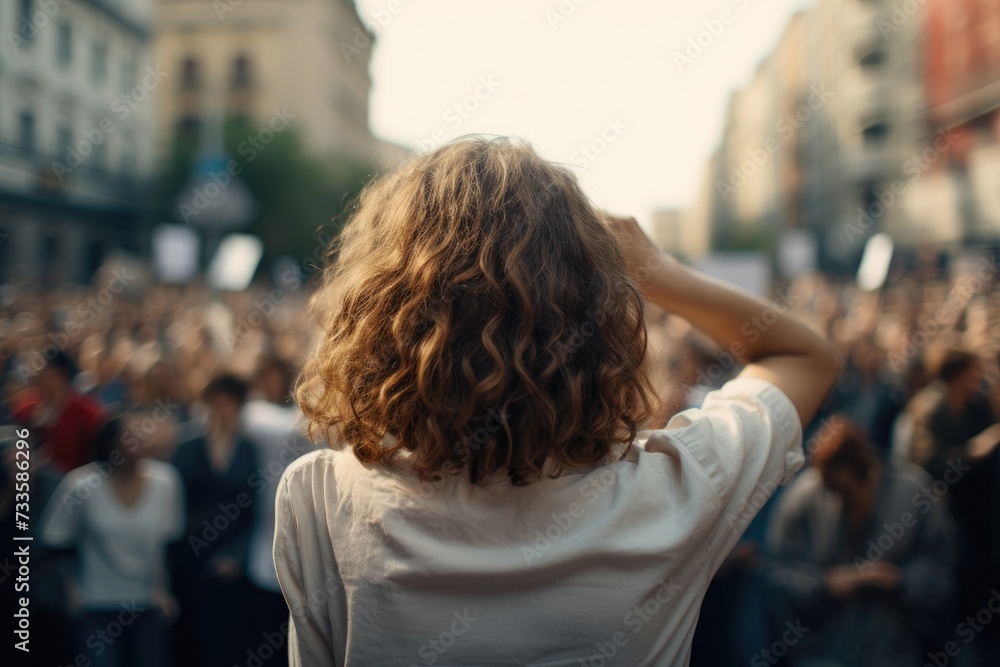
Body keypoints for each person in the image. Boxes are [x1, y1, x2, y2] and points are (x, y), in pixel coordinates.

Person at [273, 137, 842, 666]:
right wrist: (658, 272)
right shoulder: (677, 490)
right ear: (598, 325)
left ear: (382, 310)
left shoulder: (321, 499)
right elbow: (803, 357)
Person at [764, 416, 954, 667]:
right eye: (833, 492)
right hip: (822, 651)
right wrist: (825, 584)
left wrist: (900, 580)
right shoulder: (805, 497)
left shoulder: (915, 493)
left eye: (846, 491)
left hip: (894, 650)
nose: (840, 501)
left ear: (866, 471)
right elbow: (775, 570)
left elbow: (943, 566)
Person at [39, 412, 185, 667]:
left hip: (147, 603)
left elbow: (169, 543)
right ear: (111, 442)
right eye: (133, 435)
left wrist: (163, 589)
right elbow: (55, 542)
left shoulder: (166, 480)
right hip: (94, 603)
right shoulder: (81, 484)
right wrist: (71, 588)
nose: (143, 439)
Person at [170, 373, 259, 667]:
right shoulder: (188, 447)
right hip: (191, 556)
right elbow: (177, 501)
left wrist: (238, 555)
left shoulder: (249, 450)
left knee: (233, 635)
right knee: (195, 634)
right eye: (215, 402)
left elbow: (256, 510)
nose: (221, 409)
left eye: (229, 402)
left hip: (234, 557)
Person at [243, 356, 314, 665]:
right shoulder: (254, 414)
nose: (275, 382)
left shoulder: (303, 418)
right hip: (262, 536)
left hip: (304, 538)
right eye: (268, 375)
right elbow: (280, 423)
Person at [12, 350, 104, 473]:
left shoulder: (84, 410)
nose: (35, 372)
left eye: (42, 367)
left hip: (76, 481)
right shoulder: (27, 408)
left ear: (60, 373)